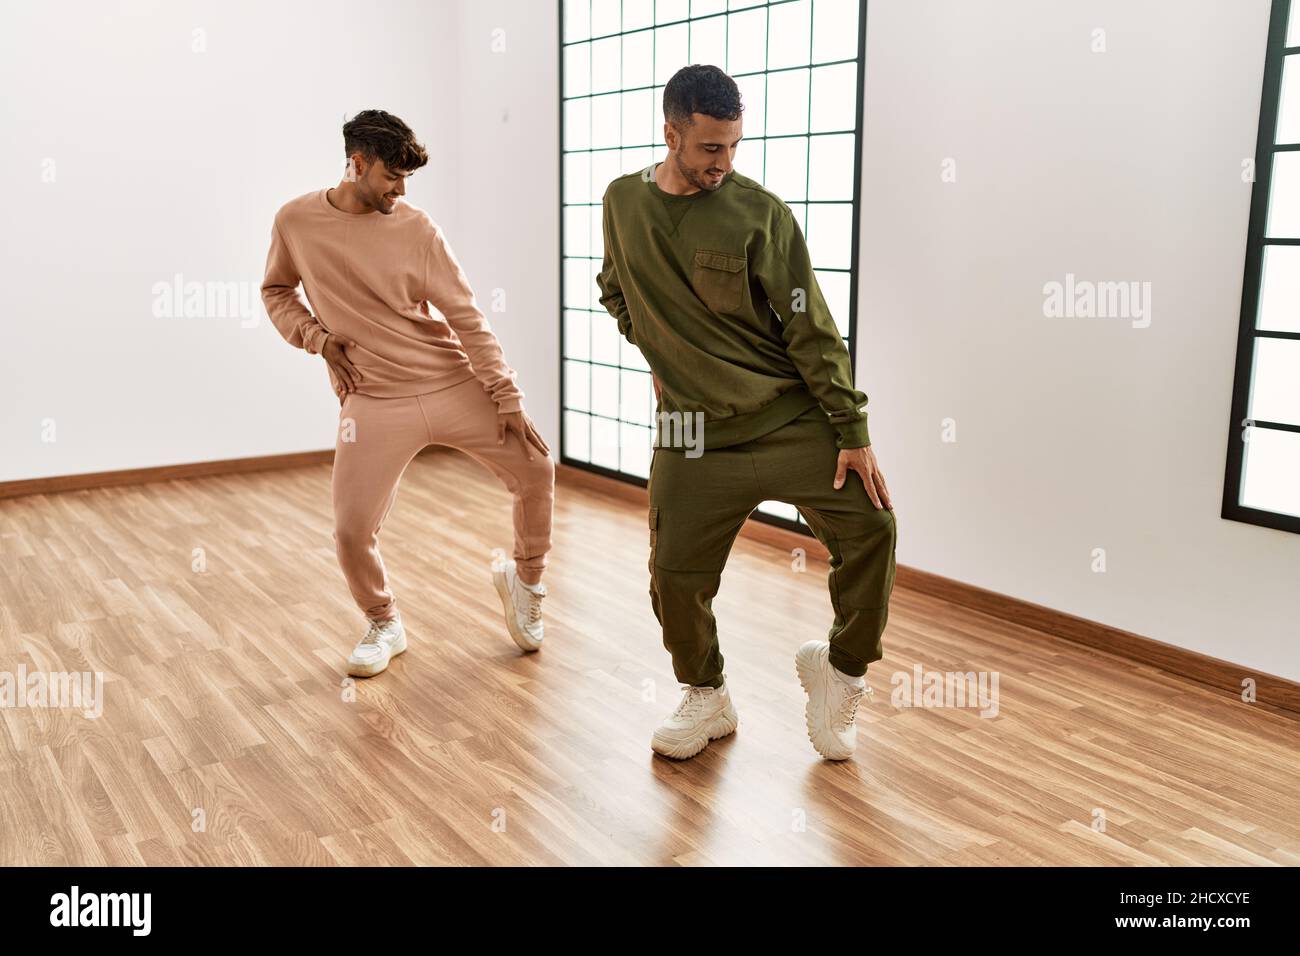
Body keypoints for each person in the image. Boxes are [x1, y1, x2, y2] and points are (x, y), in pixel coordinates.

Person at [597, 67, 897, 761]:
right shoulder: (621, 202)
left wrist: (851, 431)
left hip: (788, 414)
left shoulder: (759, 212)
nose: (723, 163)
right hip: (691, 431)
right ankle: (707, 695)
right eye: (709, 149)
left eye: (733, 147)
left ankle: (841, 669)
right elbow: (615, 291)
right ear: (670, 134)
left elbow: (812, 330)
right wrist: (661, 355)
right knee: (674, 573)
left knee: (872, 527)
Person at [261, 109, 554, 677]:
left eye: (407, 179)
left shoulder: (417, 229)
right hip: (374, 400)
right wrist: (317, 339)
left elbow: (466, 317)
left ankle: (526, 583)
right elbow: (276, 290)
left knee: (536, 468)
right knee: (350, 530)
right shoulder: (295, 221)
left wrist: (506, 395)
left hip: (448, 380)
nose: (400, 189)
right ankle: (383, 621)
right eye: (390, 176)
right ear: (357, 163)